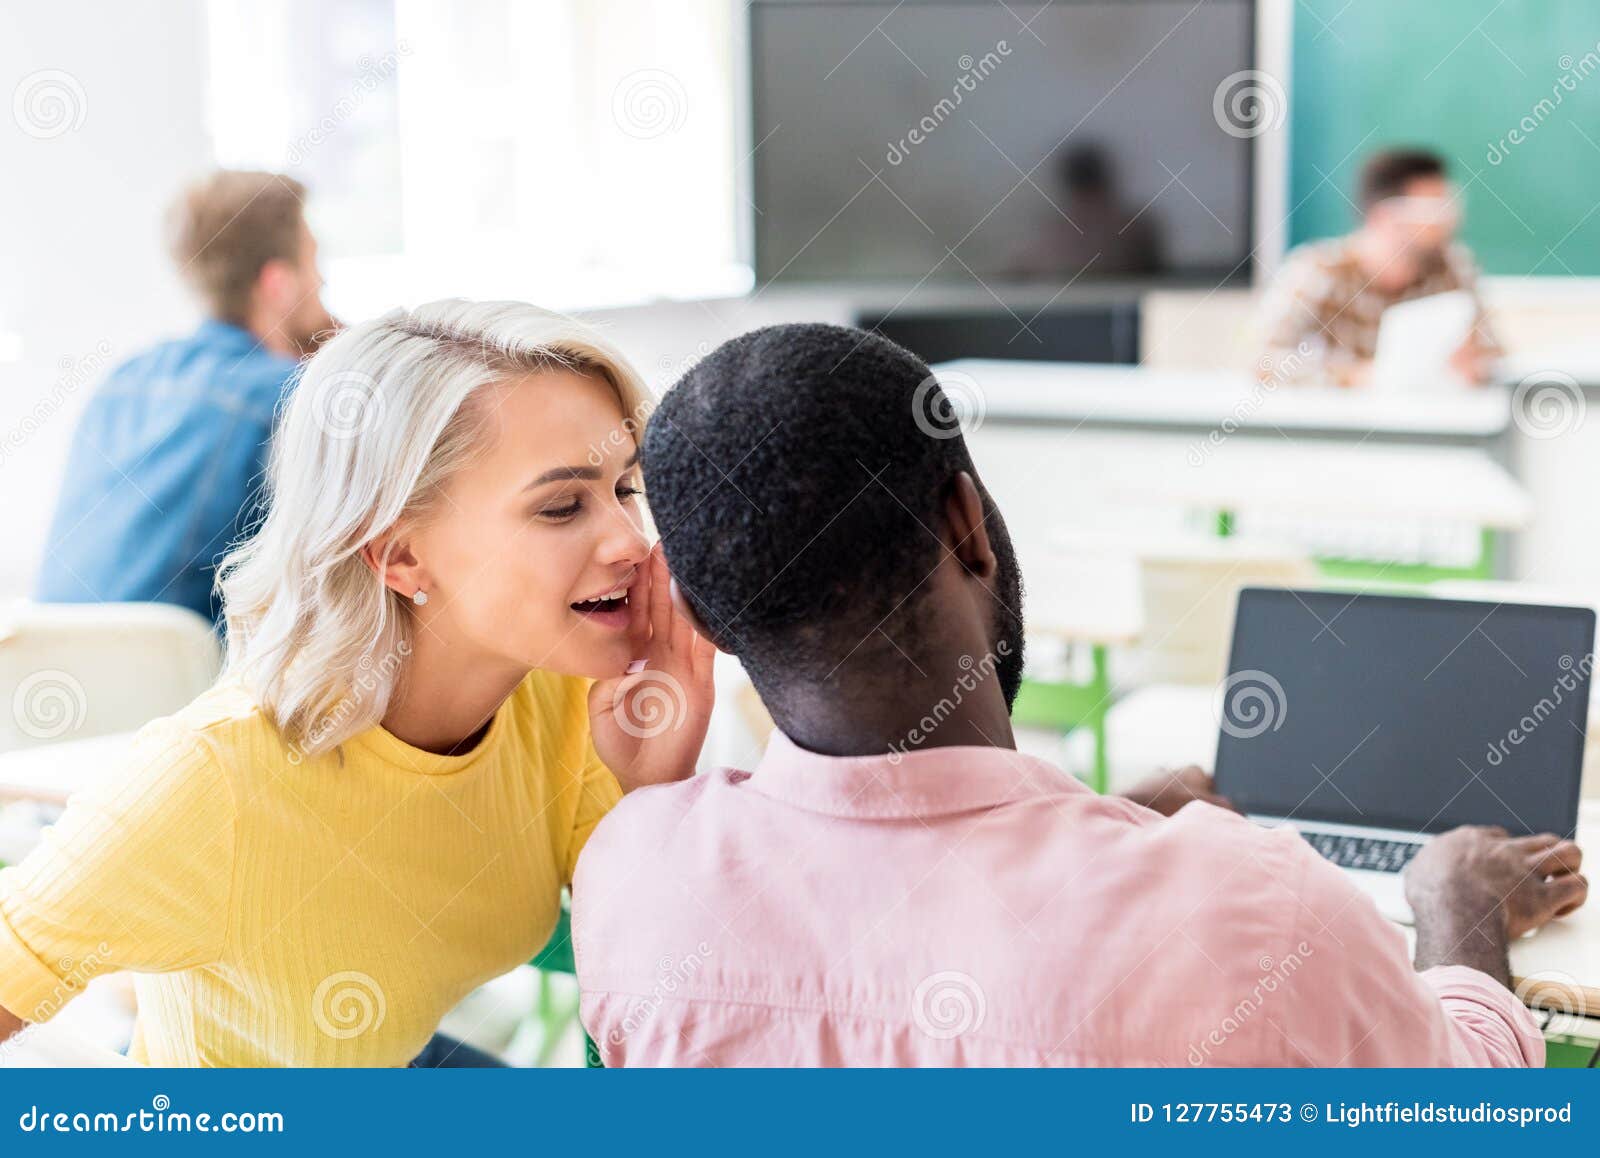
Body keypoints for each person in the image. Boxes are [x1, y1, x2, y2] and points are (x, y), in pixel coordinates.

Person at [572, 322, 1585, 1067]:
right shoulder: (1253, 913)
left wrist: (1094, 827)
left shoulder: (631, 881)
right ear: (966, 524)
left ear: (702, 619)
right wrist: (1458, 907)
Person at [0, 300, 714, 1066]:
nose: (632, 542)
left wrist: (655, 788)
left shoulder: (565, 699)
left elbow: (653, 1006)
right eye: (561, 506)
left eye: (625, 489)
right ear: (399, 556)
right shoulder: (211, 782)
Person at [35, 170, 338, 623]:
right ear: (279, 283)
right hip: (186, 682)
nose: (324, 284)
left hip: (44, 670)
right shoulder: (287, 397)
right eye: (315, 263)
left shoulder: (124, 379)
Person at [1257, 148, 1502, 386]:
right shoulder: (1318, 270)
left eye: (1449, 207)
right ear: (1384, 216)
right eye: (1432, 211)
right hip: (1341, 422)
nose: (1446, 223)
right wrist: (1351, 377)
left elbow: (1494, 354)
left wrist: (1474, 365)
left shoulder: (1452, 267)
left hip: (1423, 421)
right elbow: (1264, 360)